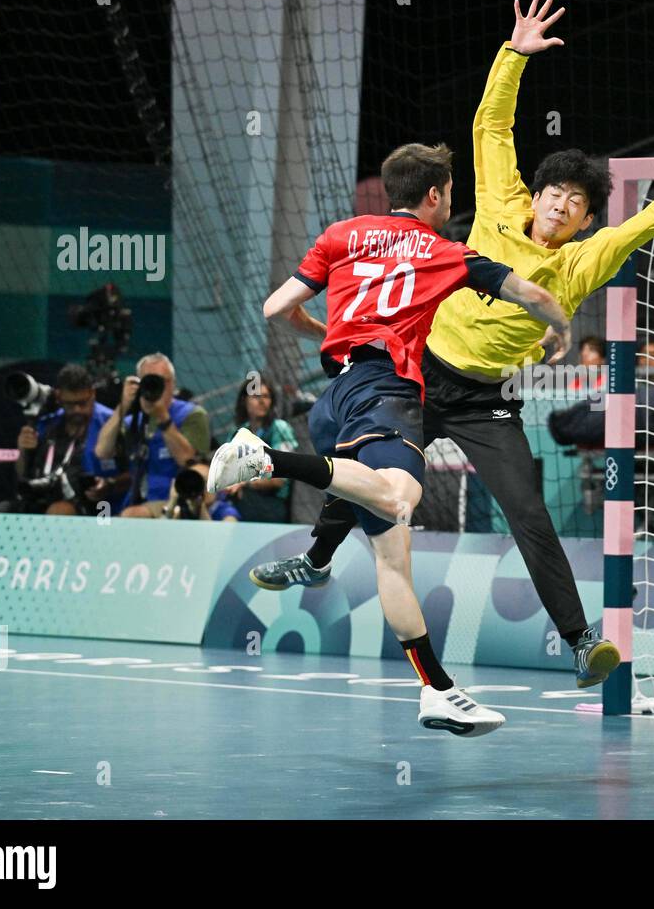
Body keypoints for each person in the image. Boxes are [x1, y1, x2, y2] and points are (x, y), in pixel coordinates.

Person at [245, 0, 654, 690]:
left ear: (585, 218)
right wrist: (513, 56)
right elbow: (490, 124)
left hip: (487, 400)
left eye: (576, 204)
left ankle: (579, 639)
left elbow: (628, 233)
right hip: (418, 372)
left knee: (528, 510)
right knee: (365, 469)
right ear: (536, 196)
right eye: (554, 193)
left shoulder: (579, 262)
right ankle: (318, 559)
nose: (561, 205)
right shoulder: (501, 204)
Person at [210, 140, 571, 737]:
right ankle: (265, 456)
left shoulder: (342, 235)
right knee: (398, 498)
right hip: (386, 392)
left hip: (335, 398)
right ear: (434, 196)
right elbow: (531, 294)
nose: (450, 201)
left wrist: (331, 333)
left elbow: (276, 307)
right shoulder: (448, 252)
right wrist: (558, 326)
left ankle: (438, 691)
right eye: (450, 192)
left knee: (391, 557)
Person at [0, 363, 122, 515]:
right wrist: (23, 450)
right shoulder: (45, 423)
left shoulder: (111, 423)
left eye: (82, 403)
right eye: (70, 404)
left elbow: (132, 473)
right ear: (58, 396)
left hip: (98, 507)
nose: (77, 410)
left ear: (92, 393)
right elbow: (22, 474)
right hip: (42, 499)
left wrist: (110, 485)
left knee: (60, 510)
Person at [95, 352, 211, 518]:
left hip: (180, 500)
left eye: (161, 381)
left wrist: (163, 417)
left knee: (131, 516)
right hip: (139, 499)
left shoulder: (192, 415)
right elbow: (102, 452)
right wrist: (123, 406)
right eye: (148, 381)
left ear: (173, 384)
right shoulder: (133, 421)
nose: (156, 388)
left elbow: (188, 461)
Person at [225, 374, 298, 524]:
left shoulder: (280, 429)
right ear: (244, 400)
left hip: (271, 503)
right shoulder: (238, 432)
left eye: (266, 396)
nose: (262, 401)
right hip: (241, 496)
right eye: (256, 396)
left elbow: (278, 480)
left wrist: (245, 482)